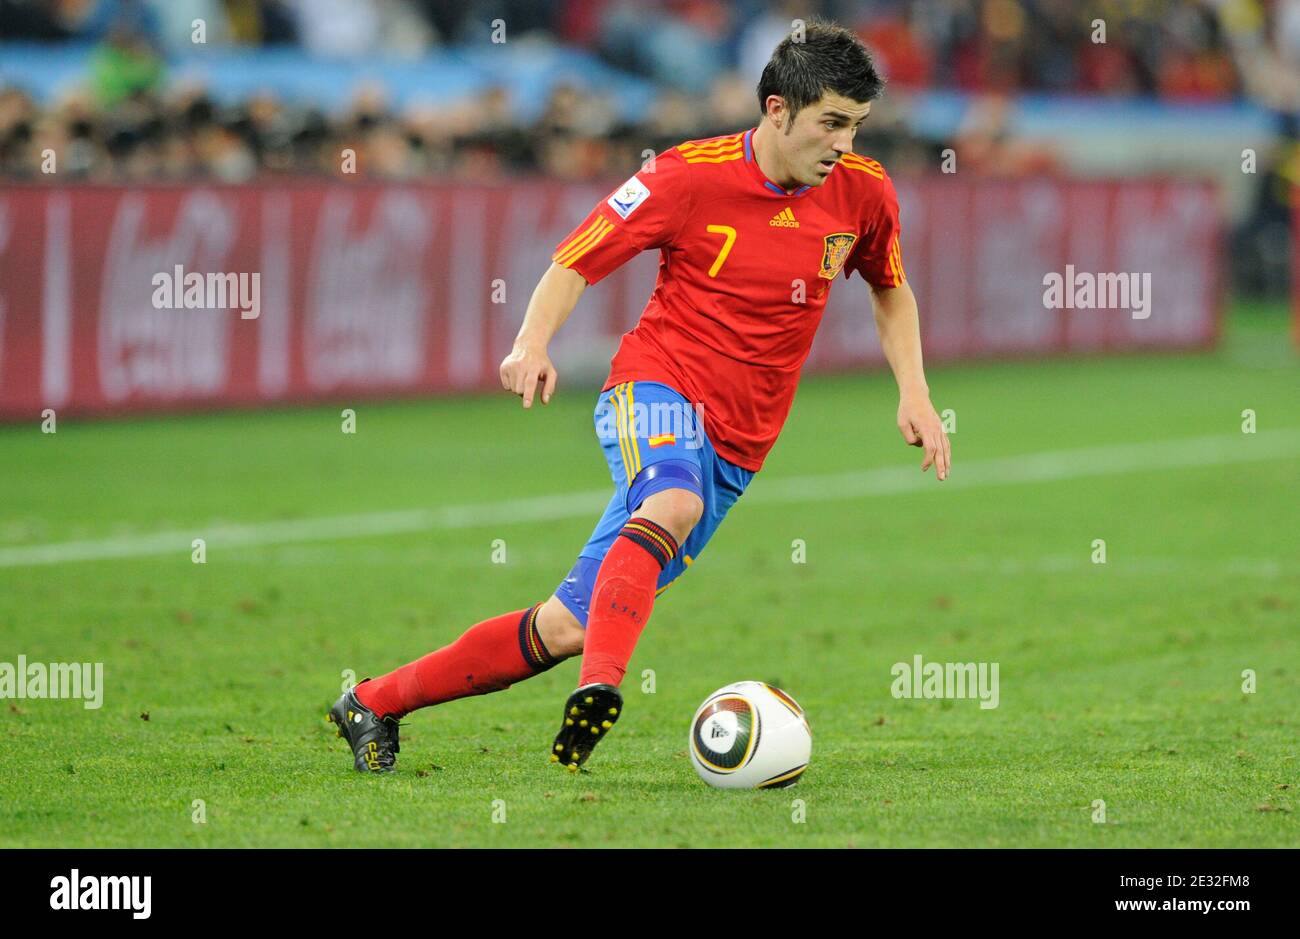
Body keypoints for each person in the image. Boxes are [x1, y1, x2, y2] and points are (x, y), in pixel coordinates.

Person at [328, 20, 951, 775]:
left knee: (563, 624)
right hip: (652, 386)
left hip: (739, 446)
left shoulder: (862, 191)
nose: (845, 144)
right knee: (671, 503)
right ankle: (603, 685)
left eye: (856, 126)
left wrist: (913, 390)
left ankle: (373, 701)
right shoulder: (685, 176)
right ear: (778, 110)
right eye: (831, 124)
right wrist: (531, 341)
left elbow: (891, 289)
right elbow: (576, 259)